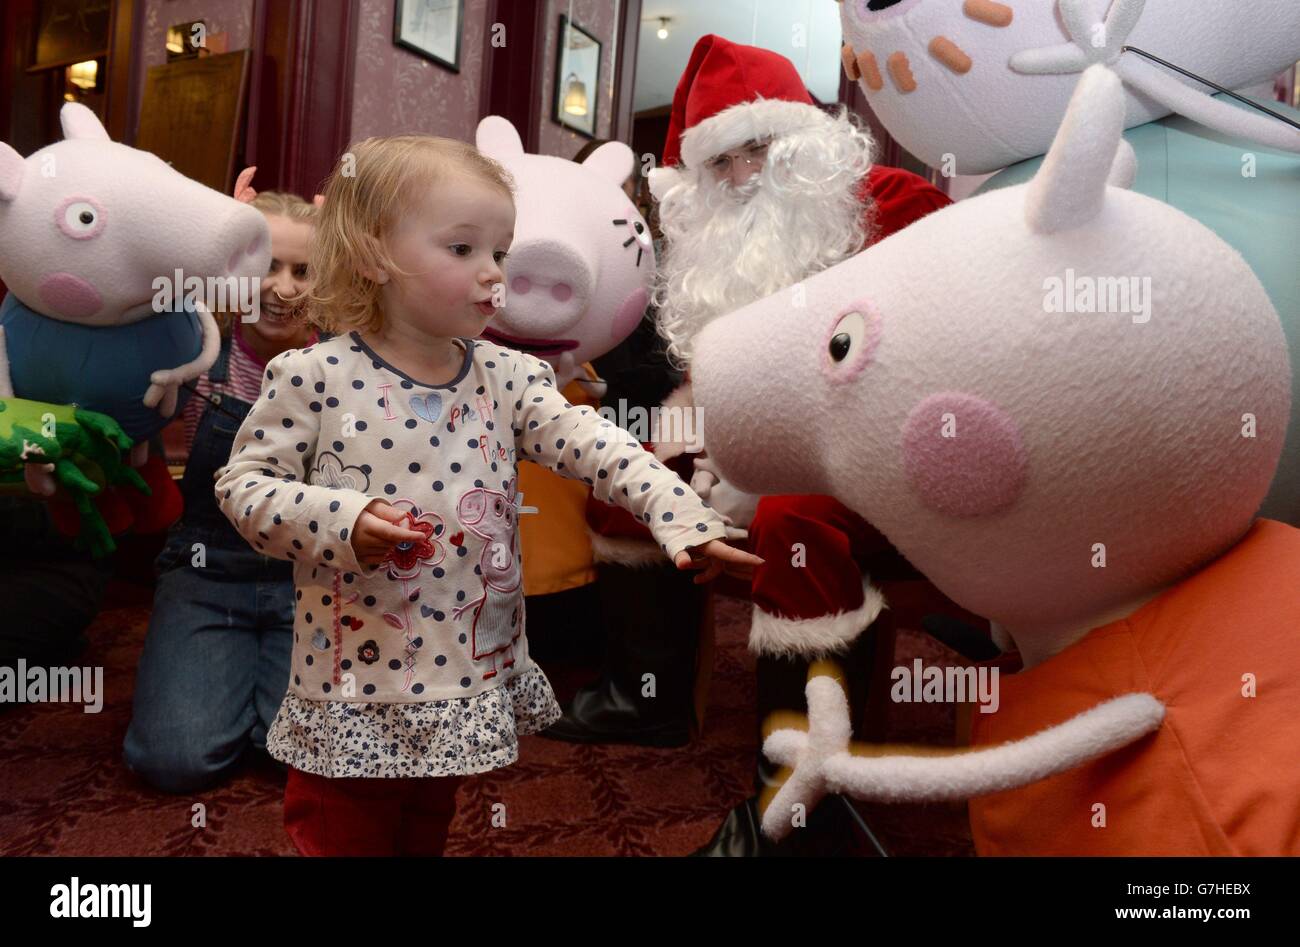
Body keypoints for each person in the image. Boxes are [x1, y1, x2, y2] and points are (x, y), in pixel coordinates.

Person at [213, 134, 761, 856]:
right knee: (342, 830)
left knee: (426, 821)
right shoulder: (313, 376)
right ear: (375, 253)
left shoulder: (506, 376)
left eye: (500, 252)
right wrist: (342, 518)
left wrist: (677, 511)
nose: (493, 275)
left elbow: (598, 445)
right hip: (355, 678)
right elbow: (244, 488)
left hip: (463, 669)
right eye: (463, 249)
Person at [646, 35, 953, 855]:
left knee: (792, 517)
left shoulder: (895, 203)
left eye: (763, 148)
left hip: (896, 452)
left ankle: (799, 790)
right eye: (724, 163)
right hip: (761, 445)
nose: (746, 176)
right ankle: (649, 697)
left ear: (807, 141)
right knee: (634, 471)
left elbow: (948, 354)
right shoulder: (714, 250)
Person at [122, 190, 319, 791]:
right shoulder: (191, 355)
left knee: (308, 761)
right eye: (263, 266)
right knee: (172, 761)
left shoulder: (348, 366)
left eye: (302, 270)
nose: (281, 287)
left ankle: (264, 704)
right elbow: (134, 285)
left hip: (308, 584)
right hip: (203, 576)